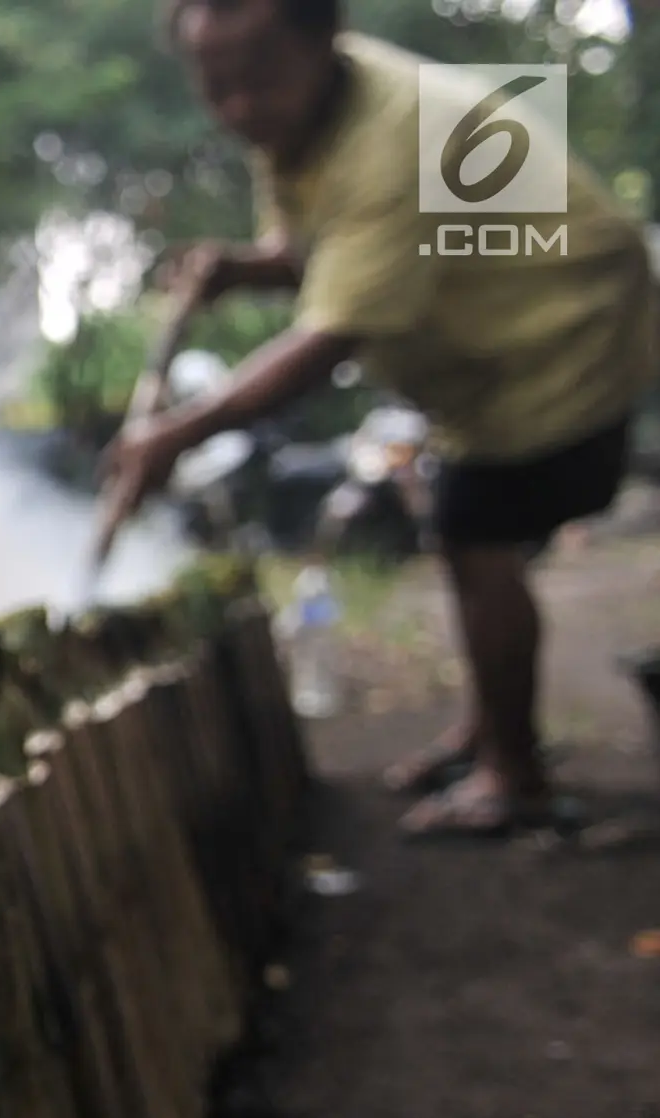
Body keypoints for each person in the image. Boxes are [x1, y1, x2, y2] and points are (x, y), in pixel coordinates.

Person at [101, 0, 658, 837]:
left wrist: (176, 433)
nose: (239, 110)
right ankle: (490, 732)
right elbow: (319, 257)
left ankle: (516, 776)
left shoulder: (397, 138)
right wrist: (243, 270)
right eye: (217, 89)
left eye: (258, 83)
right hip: (492, 355)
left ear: (323, 39)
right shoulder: (306, 124)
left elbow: (332, 336)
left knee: (477, 533)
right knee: (467, 536)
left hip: (564, 337)